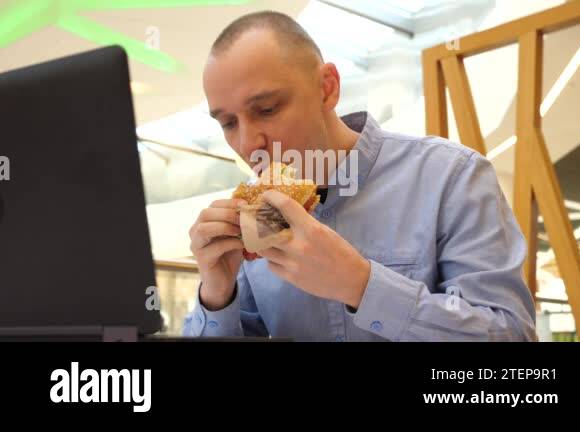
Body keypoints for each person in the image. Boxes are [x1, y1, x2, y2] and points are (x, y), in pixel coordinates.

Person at [183, 11, 536, 341]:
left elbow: (511, 333)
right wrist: (216, 295)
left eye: (267, 109)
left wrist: (361, 285)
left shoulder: (452, 177)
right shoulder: (255, 221)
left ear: (327, 87)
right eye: (228, 123)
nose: (247, 143)